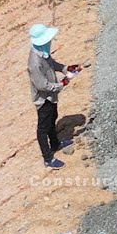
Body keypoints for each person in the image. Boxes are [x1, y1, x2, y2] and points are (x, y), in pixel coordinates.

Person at [28, 24, 79, 169]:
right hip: (43, 99)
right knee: (43, 128)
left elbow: (52, 64)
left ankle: (55, 143)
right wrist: (63, 83)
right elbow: (42, 86)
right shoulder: (34, 63)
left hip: (51, 96)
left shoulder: (43, 54)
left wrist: (65, 68)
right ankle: (48, 158)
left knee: (53, 119)